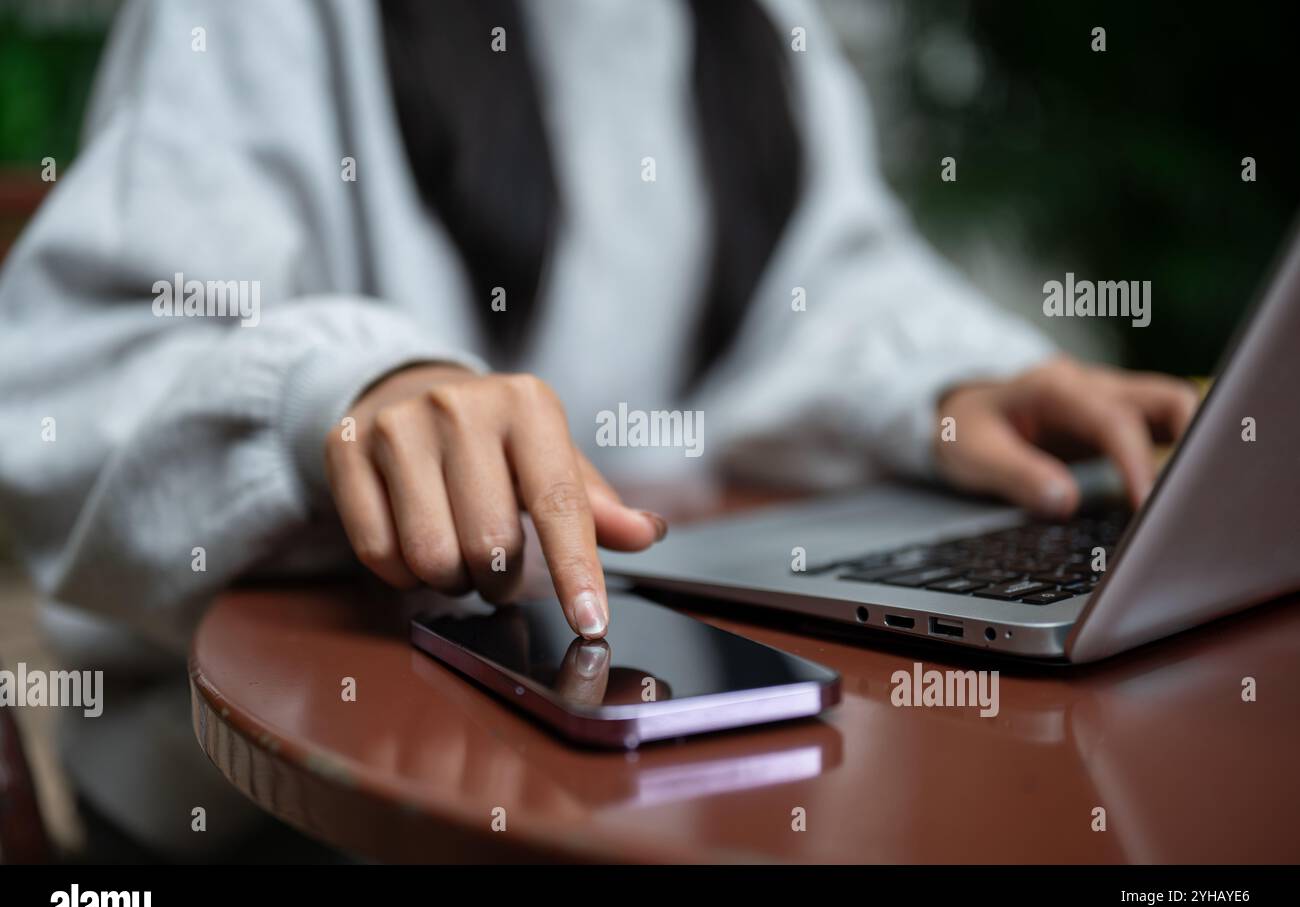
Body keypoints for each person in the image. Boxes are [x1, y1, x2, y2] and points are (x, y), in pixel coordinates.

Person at [0, 0, 1195, 856]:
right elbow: (73, 373)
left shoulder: (761, 26)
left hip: (670, 783)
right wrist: (344, 392)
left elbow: (824, 285)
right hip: (274, 805)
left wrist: (947, 383)